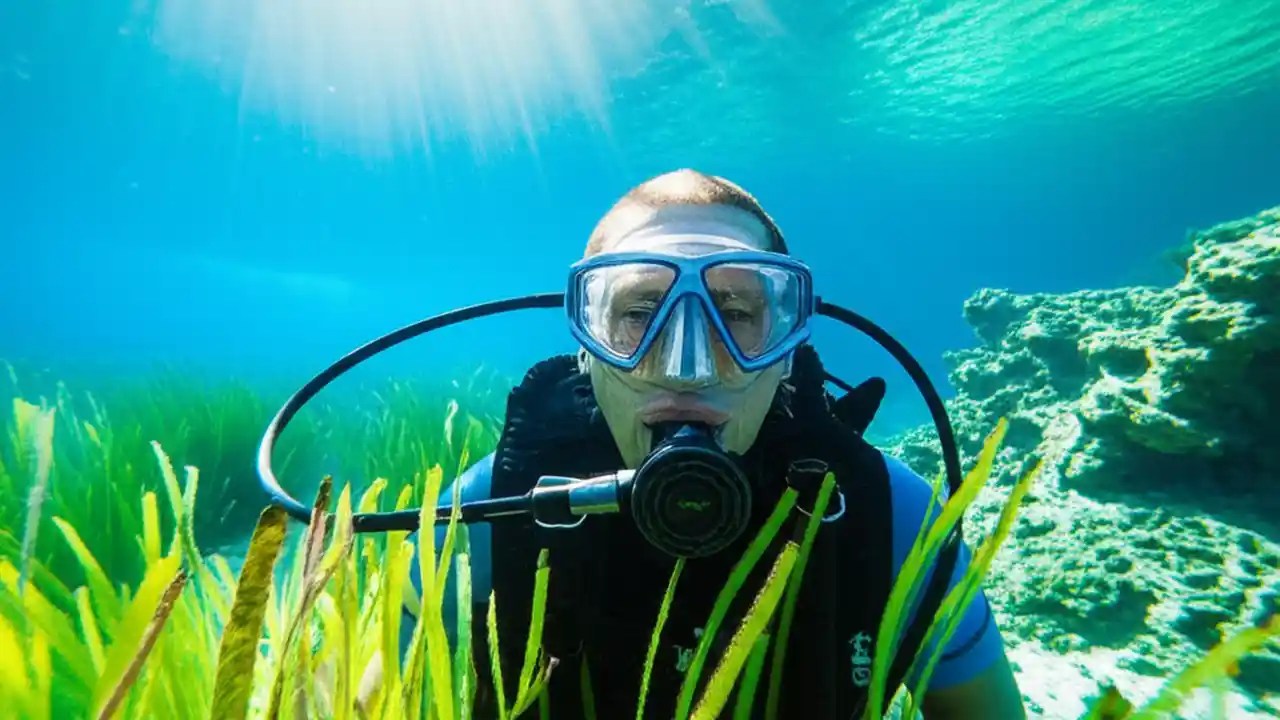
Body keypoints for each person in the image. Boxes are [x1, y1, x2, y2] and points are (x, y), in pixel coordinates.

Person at [394, 169, 1027, 719]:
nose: (687, 367)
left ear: (786, 353)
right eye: (640, 313)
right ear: (587, 348)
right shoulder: (485, 517)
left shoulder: (888, 518)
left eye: (737, 312)